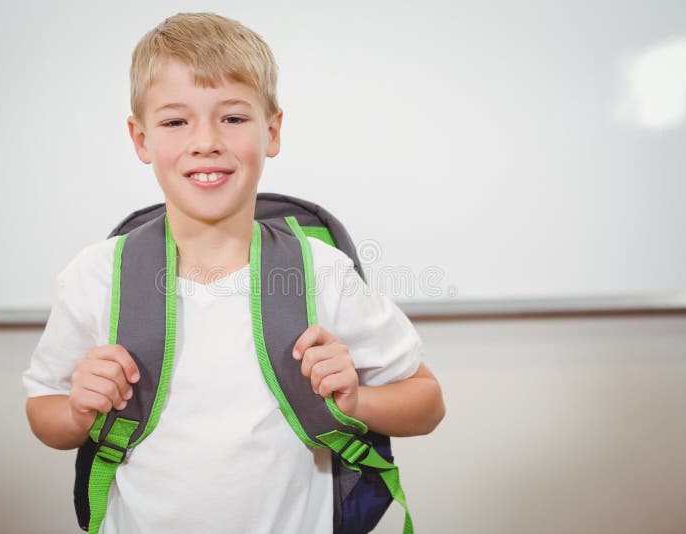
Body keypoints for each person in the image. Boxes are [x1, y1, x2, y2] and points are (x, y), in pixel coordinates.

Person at [23, 12, 445, 533]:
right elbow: (44, 409)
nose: (206, 142)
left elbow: (427, 404)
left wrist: (358, 400)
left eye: (233, 118)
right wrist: (77, 412)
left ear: (272, 131)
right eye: (176, 121)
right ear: (140, 139)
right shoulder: (96, 277)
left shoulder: (321, 273)